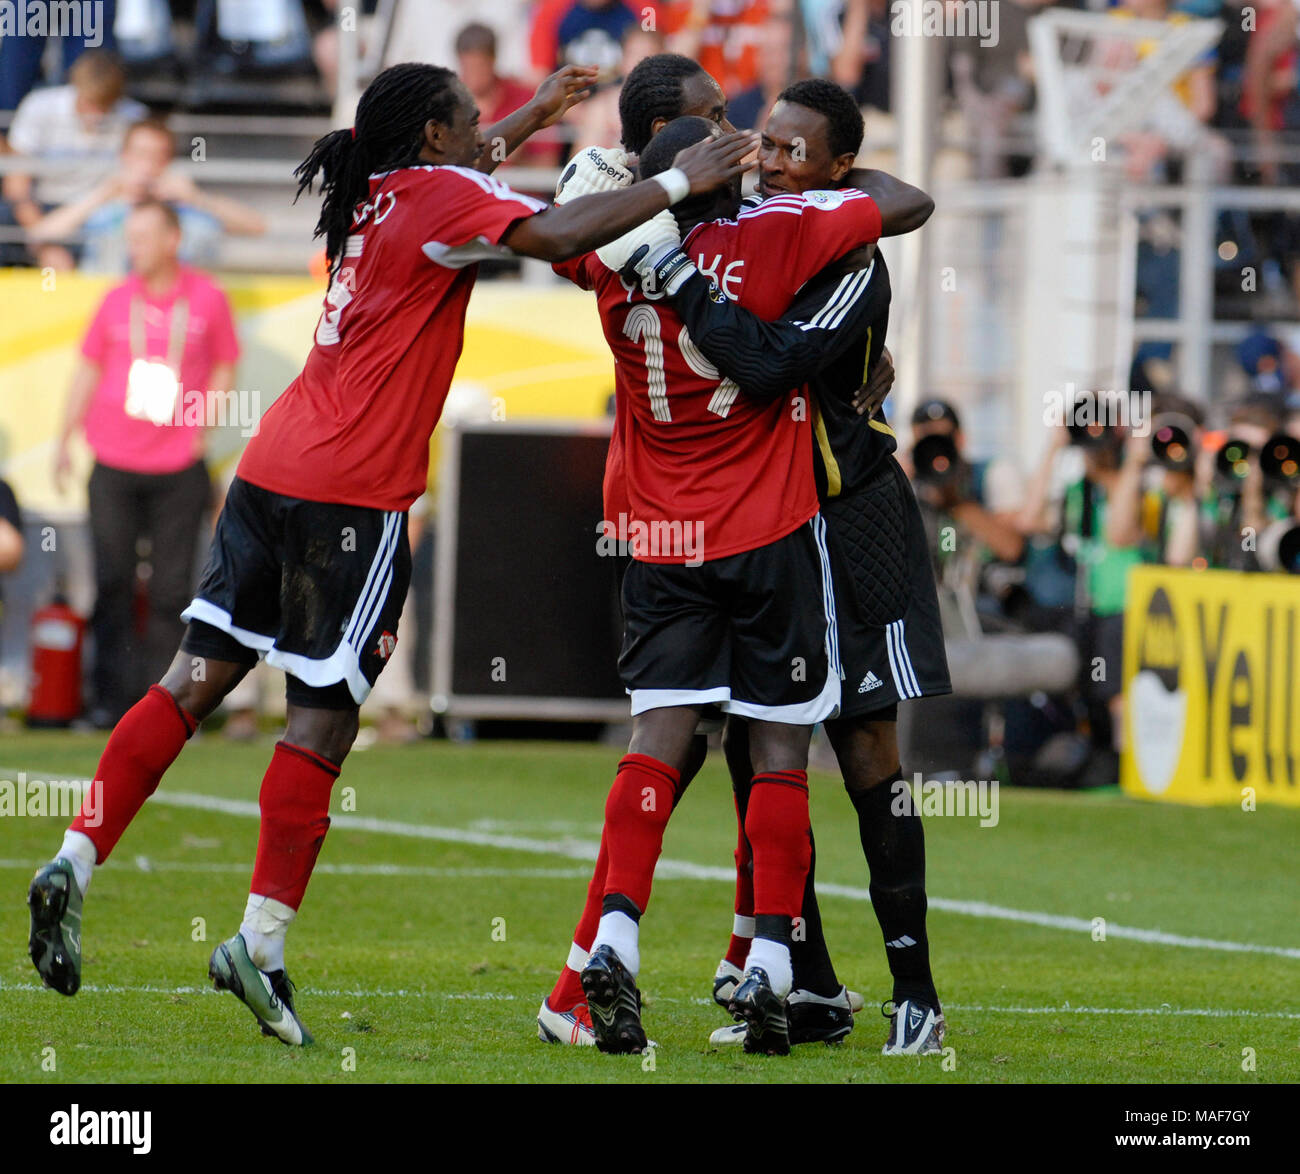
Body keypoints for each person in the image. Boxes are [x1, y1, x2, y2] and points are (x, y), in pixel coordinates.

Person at [26, 61, 753, 1048]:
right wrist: (679, 181)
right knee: (320, 725)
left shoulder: (373, 188)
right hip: (351, 496)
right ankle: (259, 941)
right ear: (434, 139)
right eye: (464, 121)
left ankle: (75, 854)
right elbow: (546, 235)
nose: (473, 132)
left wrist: (534, 114)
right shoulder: (447, 193)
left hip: (269, 470)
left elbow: (467, 172)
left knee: (191, 680)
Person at [54, 199, 239, 727]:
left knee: (170, 590)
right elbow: (88, 369)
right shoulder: (115, 300)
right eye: (128, 239)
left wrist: (203, 425)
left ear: (172, 240)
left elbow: (225, 364)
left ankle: (164, 707)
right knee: (111, 583)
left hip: (179, 464)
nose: (132, 249)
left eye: (142, 238)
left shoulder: (207, 299)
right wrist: (65, 436)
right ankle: (109, 702)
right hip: (112, 459)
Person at [27, 118, 267, 273]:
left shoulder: (186, 207)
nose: (148, 166)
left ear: (168, 162)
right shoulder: (104, 203)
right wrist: (104, 194)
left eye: (157, 157)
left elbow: (256, 227)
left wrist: (197, 198)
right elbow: (37, 234)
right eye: (141, 154)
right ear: (124, 156)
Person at [1, 49, 145, 268]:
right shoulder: (39, 107)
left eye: (105, 105)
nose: (96, 115)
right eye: (90, 103)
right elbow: (17, 188)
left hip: (100, 215)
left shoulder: (134, 119)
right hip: (40, 209)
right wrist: (46, 247)